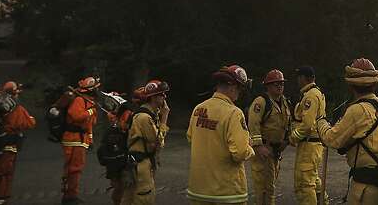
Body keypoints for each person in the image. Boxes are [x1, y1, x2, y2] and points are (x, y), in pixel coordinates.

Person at [315, 58, 378, 205]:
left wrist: (321, 121)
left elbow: (331, 139)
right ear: (374, 84)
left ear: (351, 85)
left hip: (365, 187)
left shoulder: (357, 110)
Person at [186, 65, 256, 204]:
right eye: (240, 88)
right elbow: (240, 153)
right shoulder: (234, 113)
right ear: (232, 86)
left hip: (198, 191)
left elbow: (190, 138)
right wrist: (250, 147)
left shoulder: (198, 109)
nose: (240, 93)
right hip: (227, 193)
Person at [122, 80, 170, 205]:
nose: (165, 97)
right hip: (140, 165)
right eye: (161, 94)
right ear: (153, 97)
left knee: (130, 197)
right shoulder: (144, 117)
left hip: (140, 163)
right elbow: (159, 141)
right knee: (144, 198)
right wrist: (164, 119)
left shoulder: (150, 115)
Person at [248, 70, 291, 205]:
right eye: (275, 84)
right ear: (267, 86)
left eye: (281, 84)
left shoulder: (284, 102)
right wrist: (259, 146)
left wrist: (286, 140)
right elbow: (253, 123)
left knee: (271, 186)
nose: (279, 86)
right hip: (264, 151)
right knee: (263, 187)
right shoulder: (261, 102)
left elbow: (288, 123)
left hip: (275, 151)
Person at [62, 76, 102, 205]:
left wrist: (90, 140)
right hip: (73, 139)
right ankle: (70, 196)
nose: (98, 90)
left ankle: (70, 195)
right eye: (96, 88)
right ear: (91, 90)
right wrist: (90, 111)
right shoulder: (80, 100)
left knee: (75, 168)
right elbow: (76, 116)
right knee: (74, 168)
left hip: (81, 139)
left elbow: (89, 125)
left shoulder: (88, 101)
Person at [289, 66, 326, 205]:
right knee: (313, 180)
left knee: (304, 183)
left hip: (309, 144)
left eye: (299, 77)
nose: (298, 80)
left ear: (305, 78)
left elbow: (307, 124)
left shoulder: (311, 95)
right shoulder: (316, 93)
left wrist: (292, 137)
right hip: (313, 144)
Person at [0, 82, 36, 205]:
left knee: (1, 170)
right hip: (10, 144)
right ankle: (1, 197)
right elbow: (29, 123)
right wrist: (32, 118)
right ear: (15, 93)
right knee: (5, 171)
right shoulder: (18, 109)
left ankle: (2, 197)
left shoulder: (0, 106)